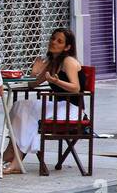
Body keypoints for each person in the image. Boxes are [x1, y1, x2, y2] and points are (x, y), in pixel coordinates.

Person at [6, 28, 83, 176]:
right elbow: (33, 84)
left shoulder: (69, 62)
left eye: (59, 41)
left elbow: (76, 88)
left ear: (67, 47)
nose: (53, 42)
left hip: (71, 110)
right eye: (53, 39)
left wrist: (57, 81)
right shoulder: (52, 62)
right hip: (59, 107)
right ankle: (13, 152)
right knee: (19, 106)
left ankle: (15, 156)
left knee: (25, 110)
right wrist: (34, 73)